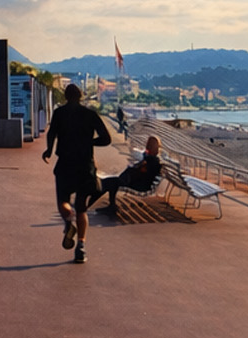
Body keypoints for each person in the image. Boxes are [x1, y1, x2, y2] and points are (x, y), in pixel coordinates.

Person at [42, 83, 112, 264]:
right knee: (82, 208)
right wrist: (89, 143)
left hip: (65, 164)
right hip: (85, 166)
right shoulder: (90, 114)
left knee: (62, 202)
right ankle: (81, 247)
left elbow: (51, 135)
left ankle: (68, 219)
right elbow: (107, 139)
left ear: (66, 96)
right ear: (80, 96)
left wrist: (49, 151)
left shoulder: (59, 113)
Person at [95, 135, 164, 212]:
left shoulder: (151, 160)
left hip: (140, 185)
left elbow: (142, 172)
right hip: (137, 182)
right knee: (110, 181)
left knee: (111, 182)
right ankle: (109, 205)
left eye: (148, 144)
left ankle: (109, 206)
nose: (146, 145)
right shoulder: (151, 158)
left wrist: (135, 167)